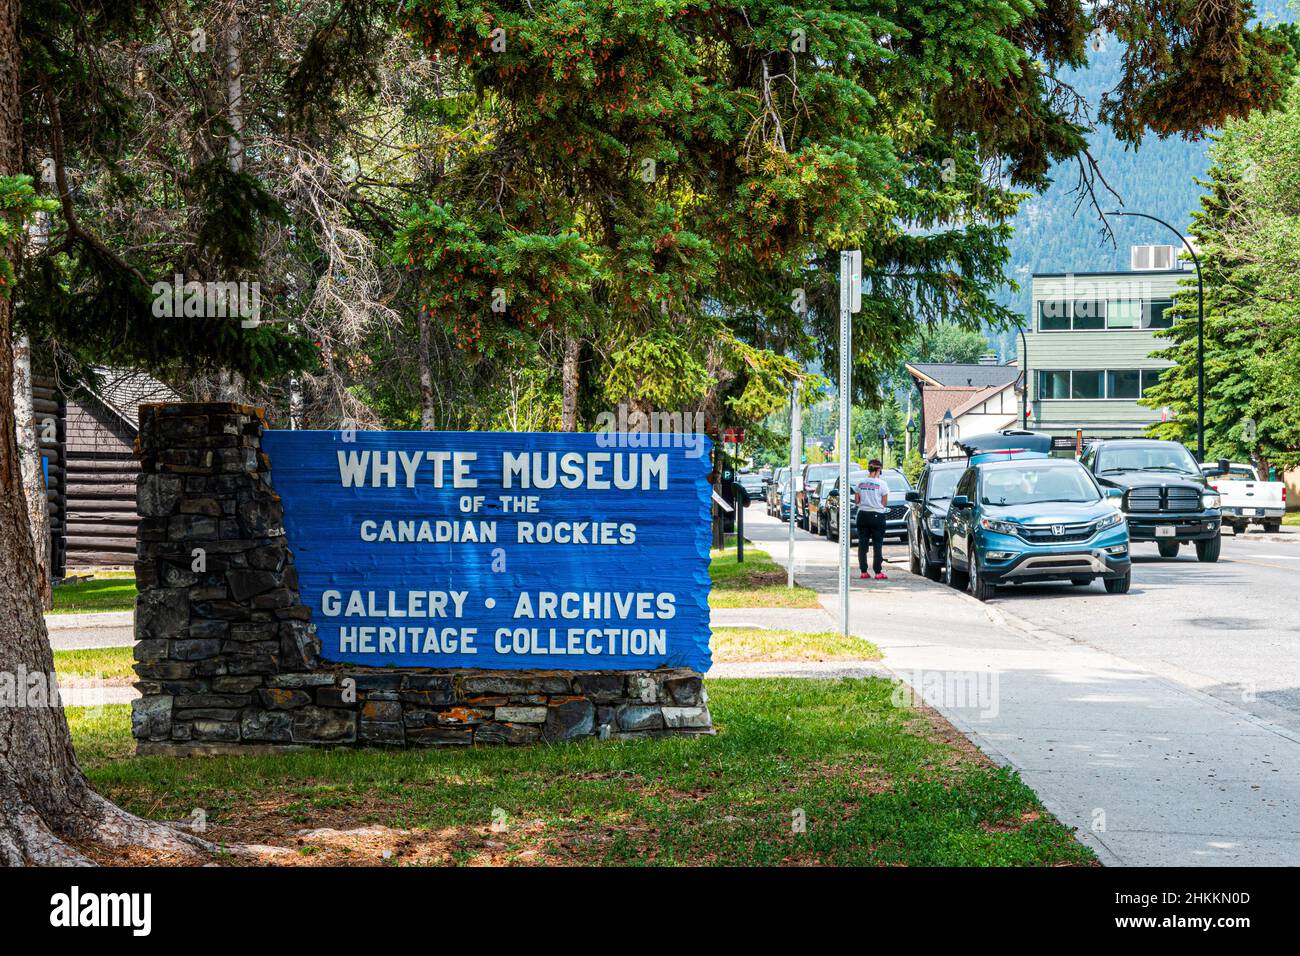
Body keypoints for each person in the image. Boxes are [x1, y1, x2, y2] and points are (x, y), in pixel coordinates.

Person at [855, 459, 889, 580]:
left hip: (862, 515)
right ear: (879, 469)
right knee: (877, 544)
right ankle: (878, 572)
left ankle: (863, 571)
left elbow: (857, 501)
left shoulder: (860, 483)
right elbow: (884, 503)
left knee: (862, 544)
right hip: (877, 516)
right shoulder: (882, 484)